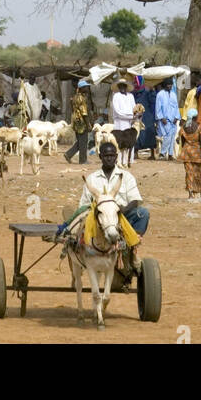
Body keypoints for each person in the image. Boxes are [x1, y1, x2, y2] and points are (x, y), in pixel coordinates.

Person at [77, 141, 148, 270]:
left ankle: (133, 248)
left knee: (143, 213)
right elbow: (84, 204)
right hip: (99, 220)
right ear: (100, 157)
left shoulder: (126, 176)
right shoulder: (92, 179)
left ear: (116, 157)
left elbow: (136, 200)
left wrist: (123, 209)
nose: (109, 158)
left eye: (112, 155)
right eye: (106, 155)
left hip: (122, 216)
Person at [177, 108, 201, 200]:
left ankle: (191, 194)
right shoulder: (200, 127)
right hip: (197, 153)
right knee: (199, 173)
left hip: (186, 152)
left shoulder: (183, 127)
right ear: (195, 117)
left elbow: (182, 142)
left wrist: (185, 150)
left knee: (189, 173)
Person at [110, 80, 138, 167]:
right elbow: (118, 112)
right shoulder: (116, 96)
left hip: (129, 123)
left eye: (124, 86)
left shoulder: (131, 96)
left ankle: (128, 161)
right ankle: (118, 161)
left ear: (126, 86)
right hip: (120, 122)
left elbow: (135, 108)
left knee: (129, 142)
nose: (122, 88)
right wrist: (131, 116)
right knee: (119, 142)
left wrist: (136, 115)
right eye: (120, 86)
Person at [65, 80, 92, 164]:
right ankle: (83, 160)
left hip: (76, 121)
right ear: (82, 88)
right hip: (82, 122)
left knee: (80, 141)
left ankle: (69, 154)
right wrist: (88, 124)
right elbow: (84, 113)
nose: (88, 88)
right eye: (86, 87)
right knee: (83, 141)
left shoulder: (75, 97)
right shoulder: (81, 98)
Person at [154, 78, 180, 161]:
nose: (170, 86)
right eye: (168, 84)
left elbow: (176, 107)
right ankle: (162, 153)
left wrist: (177, 117)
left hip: (173, 120)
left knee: (172, 137)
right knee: (167, 136)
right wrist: (161, 118)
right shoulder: (160, 94)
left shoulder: (173, 94)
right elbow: (158, 107)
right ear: (165, 85)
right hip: (164, 120)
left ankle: (171, 154)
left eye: (171, 84)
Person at [133, 79, 158, 161]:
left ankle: (152, 154)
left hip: (148, 116)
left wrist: (154, 117)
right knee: (137, 134)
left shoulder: (147, 92)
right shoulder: (133, 93)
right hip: (137, 116)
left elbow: (153, 103)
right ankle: (136, 153)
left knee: (150, 133)